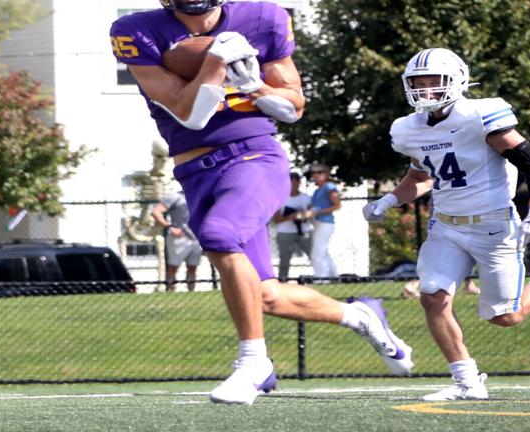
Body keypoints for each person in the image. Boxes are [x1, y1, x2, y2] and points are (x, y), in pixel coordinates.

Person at [110, 0, 414, 405]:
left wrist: (256, 87)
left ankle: (254, 360)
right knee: (265, 295)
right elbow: (189, 114)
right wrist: (217, 58)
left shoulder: (264, 16)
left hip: (253, 157)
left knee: (220, 234)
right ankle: (363, 316)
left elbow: (295, 105)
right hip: (195, 171)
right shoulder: (136, 30)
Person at [364, 47, 530, 400]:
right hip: (446, 226)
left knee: (505, 317)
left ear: (457, 81)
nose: (425, 90)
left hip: (492, 225)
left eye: (434, 82)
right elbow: (421, 175)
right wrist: (389, 199)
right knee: (432, 297)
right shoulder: (407, 129)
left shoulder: (480, 115)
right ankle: (467, 382)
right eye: (418, 83)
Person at [149, 192, 204, 291]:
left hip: (196, 238)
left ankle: (192, 293)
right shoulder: (175, 196)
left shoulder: (198, 194)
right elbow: (156, 212)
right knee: (173, 267)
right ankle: (171, 291)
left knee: (193, 267)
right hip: (179, 237)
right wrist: (170, 227)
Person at [271, 171, 313, 281]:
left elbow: (313, 215)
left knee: (314, 256)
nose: (293, 185)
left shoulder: (306, 198)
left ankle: (322, 279)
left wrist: (303, 215)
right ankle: (282, 281)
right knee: (284, 259)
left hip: (304, 231)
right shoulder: (279, 199)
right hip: (285, 233)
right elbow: (276, 219)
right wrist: (291, 217)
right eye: (291, 182)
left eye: (296, 182)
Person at [303, 163, 339, 279]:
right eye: (313, 172)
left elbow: (337, 206)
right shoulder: (318, 190)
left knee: (317, 252)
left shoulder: (329, 187)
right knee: (323, 251)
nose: (316, 175)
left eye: (319, 172)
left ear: (326, 174)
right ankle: (334, 277)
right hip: (317, 223)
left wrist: (316, 212)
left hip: (326, 223)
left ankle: (322, 278)